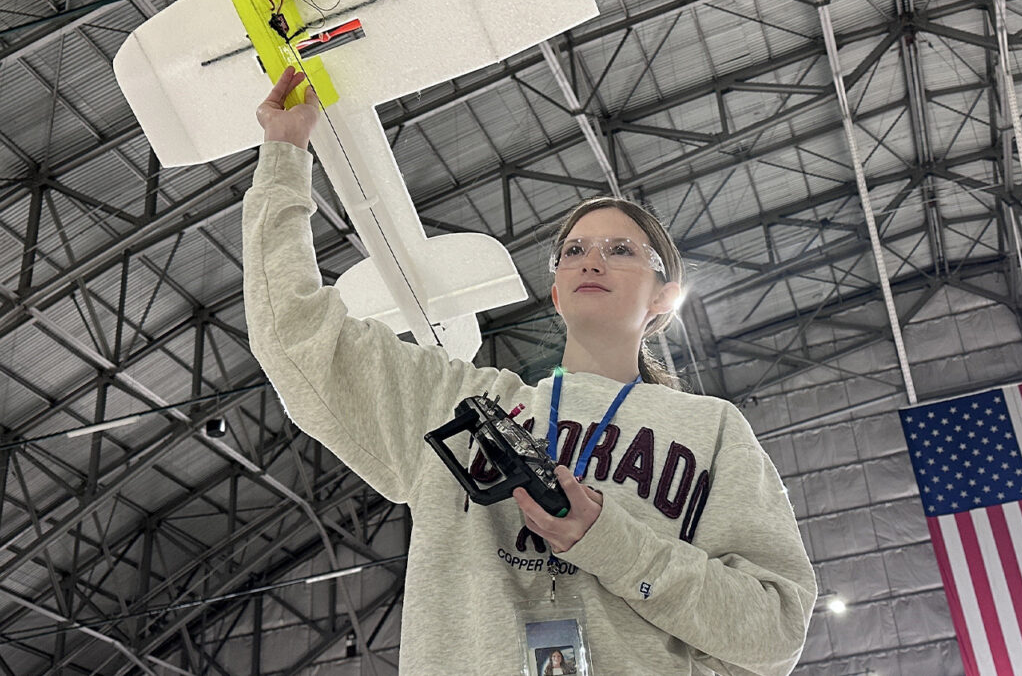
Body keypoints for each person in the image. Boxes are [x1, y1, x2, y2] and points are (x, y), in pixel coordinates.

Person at [245, 67, 816, 675]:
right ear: (557, 294)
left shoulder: (712, 430)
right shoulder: (456, 401)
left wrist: (614, 545)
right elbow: (295, 335)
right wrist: (284, 155)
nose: (591, 259)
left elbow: (774, 632)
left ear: (663, 298)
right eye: (574, 251)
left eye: (621, 251)